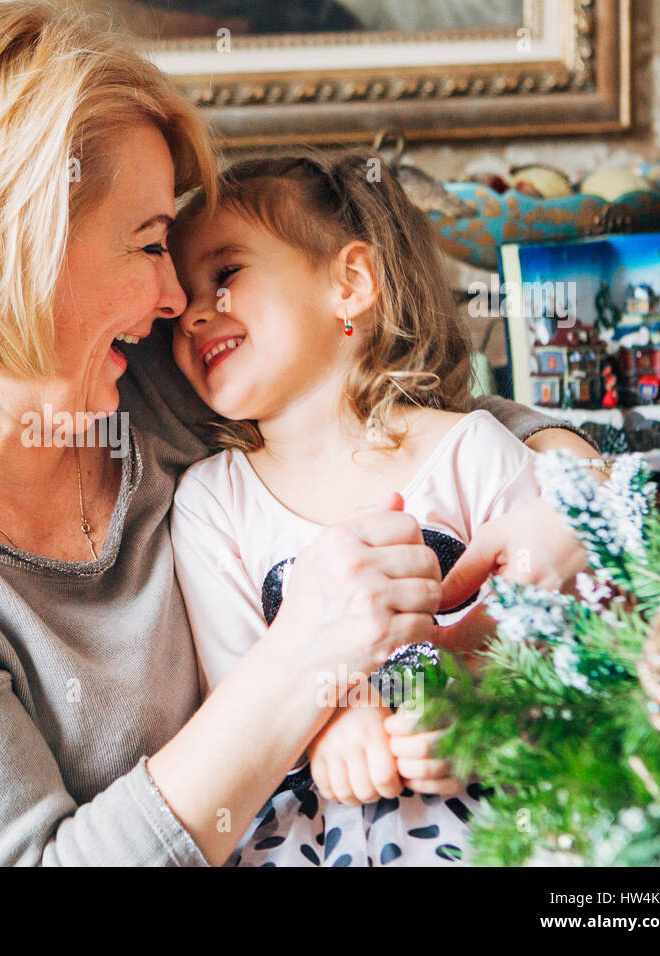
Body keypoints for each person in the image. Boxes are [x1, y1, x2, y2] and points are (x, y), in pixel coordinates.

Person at [0, 0, 596, 866]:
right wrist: (304, 666)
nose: (178, 300)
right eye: (146, 246)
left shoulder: (131, 380)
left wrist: (571, 497)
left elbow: (403, 418)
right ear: (17, 249)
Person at [168, 148, 551, 866]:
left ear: (350, 283)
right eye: (181, 295)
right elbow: (237, 698)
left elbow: (560, 633)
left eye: (224, 275)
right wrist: (324, 729)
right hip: (313, 833)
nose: (191, 312)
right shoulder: (211, 503)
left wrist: (476, 717)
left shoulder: (472, 452)